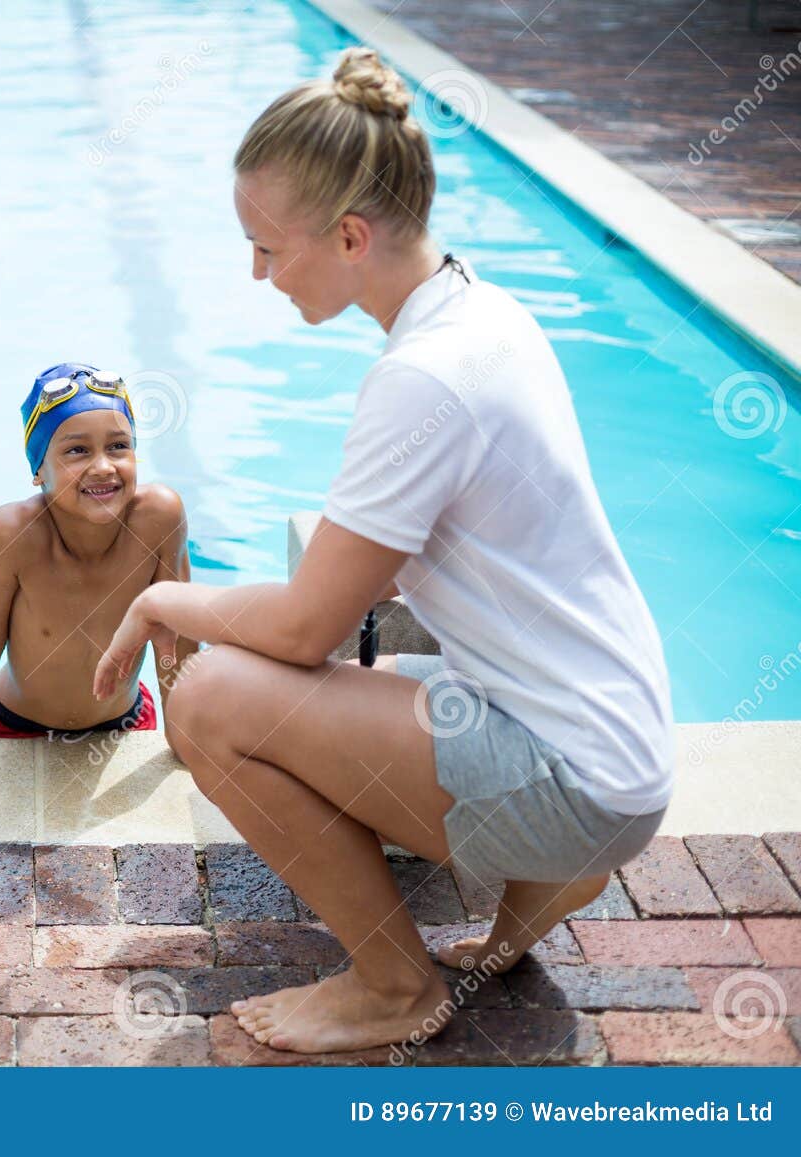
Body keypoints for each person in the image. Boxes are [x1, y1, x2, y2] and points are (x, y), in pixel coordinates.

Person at [94, 49, 673, 1055]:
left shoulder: (420, 378)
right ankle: (526, 903)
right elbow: (381, 576)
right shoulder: (482, 312)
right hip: (623, 749)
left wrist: (159, 603)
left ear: (351, 235)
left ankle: (394, 982)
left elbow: (310, 625)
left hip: (572, 778)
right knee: (341, 676)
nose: (257, 274)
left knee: (212, 701)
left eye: (267, 248)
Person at [0, 363, 196, 784]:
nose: (103, 466)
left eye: (119, 446)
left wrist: (185, 731)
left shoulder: (160, 517)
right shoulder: (11, 534)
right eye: (77, 451)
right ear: (38, 470)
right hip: (17, 723)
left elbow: (178, 633)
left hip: (124, 718)